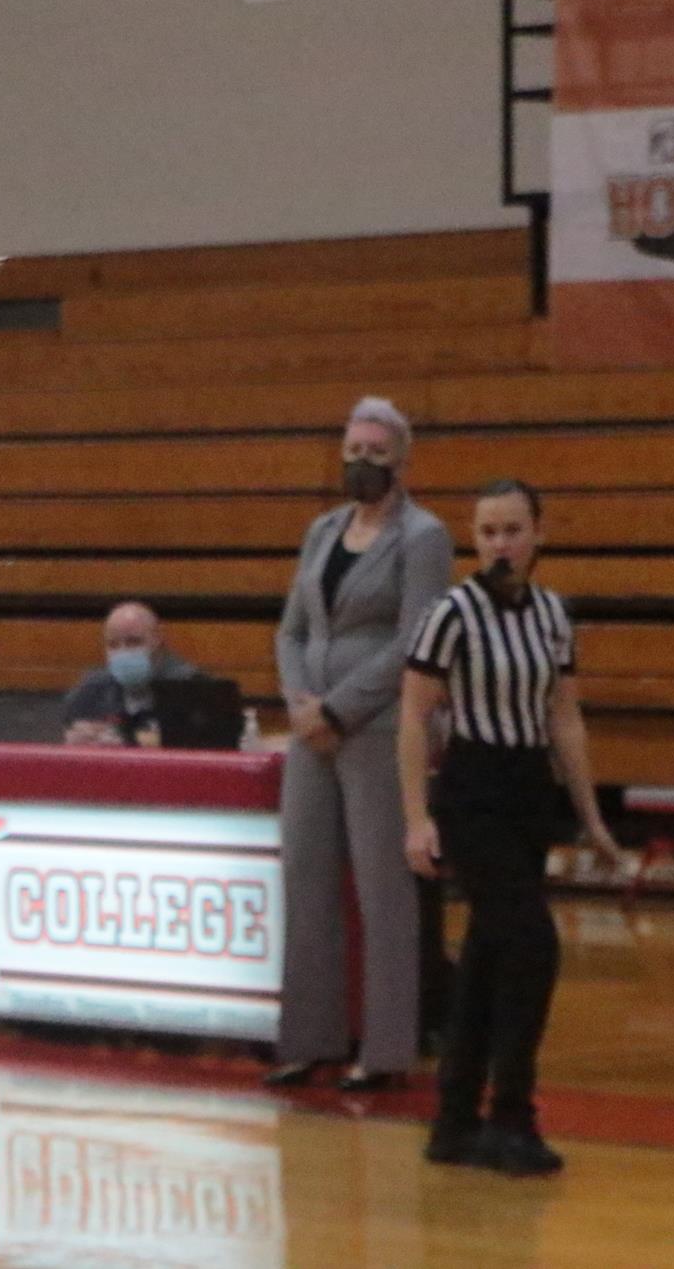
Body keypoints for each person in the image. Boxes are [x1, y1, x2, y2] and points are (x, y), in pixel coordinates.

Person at [399, 479, 618, 1176]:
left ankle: (454, 1118)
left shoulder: (553, 614)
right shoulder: (451, 612)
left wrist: (592, 819)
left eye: (512, 529)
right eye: (488, 531)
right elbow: (413, 717)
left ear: (538, 535)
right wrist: (416, 818)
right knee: (533, 945)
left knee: (492, 954)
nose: (499, 543)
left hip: (529, 790)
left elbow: (565, 718)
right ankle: (511, 1117)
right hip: (472, 789)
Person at [268, 397, 453, 1092]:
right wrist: (301, 704)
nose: (362, 461)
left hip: (378, 729)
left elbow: (415, 637)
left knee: (384, 891)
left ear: (401, 461)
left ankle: (386, 1050)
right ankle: (307, 1039)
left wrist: (340, 708)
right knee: (305, 881)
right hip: (310, 729)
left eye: (376, 450)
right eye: (354, 447)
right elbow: (289, 629)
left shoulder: (424, 536)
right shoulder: (321, 531)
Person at [62, 602, 202, 748]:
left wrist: (126, 743)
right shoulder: (90, 691)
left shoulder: (193, 690)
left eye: (134, 642)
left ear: (157, 639)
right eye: (113, 645)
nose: (123, 653)